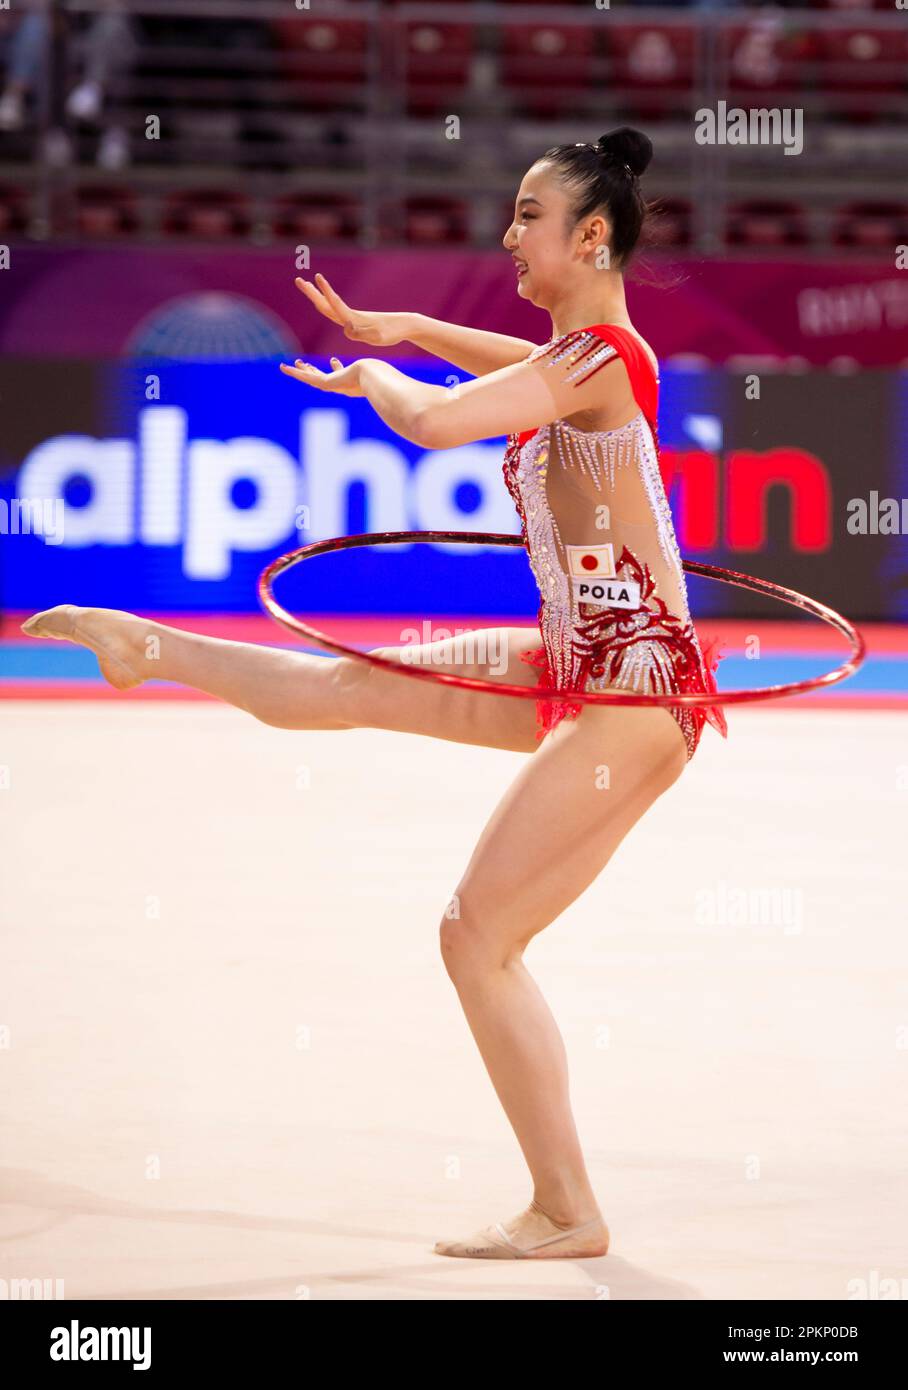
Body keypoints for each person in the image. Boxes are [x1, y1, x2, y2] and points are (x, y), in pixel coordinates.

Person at [23, 125, 726, 1262]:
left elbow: (441, 419)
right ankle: (150, 646)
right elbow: (504, 360)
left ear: (590, 235)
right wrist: (407, 325)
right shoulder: (582, 357)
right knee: (346, 683)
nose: (506, 233)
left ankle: (566, 1208)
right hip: (577, 659)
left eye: (526, 215)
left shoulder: (600, 362)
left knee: (475, 934)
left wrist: (388, 376)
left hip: (631, 697)